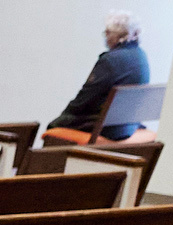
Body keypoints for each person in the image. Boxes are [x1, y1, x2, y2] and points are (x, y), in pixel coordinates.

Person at [43, 11, 147, 144]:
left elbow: (86, 96)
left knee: (55, 126)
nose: (106, 37)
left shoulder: (110, 60)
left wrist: (63, 116)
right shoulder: (140, 56)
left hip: (107, 129)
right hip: (127, 126)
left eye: (107, 33)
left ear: (118, 35)